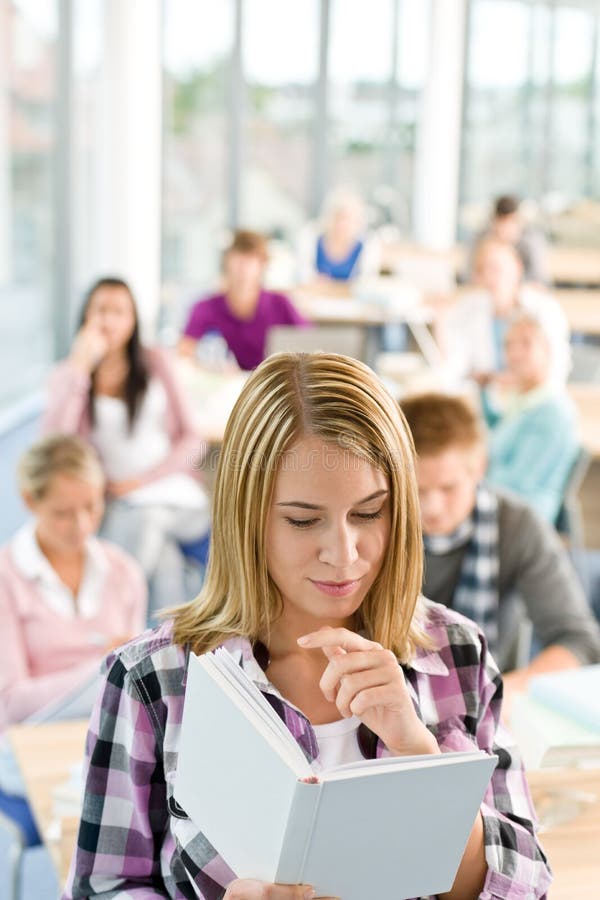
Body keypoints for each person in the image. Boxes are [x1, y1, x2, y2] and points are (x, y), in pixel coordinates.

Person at [64, 353, 551, 900]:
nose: (344, 554)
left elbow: (526, 885)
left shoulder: (457, 653)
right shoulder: (151, 679)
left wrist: (421, 757)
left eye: (369, 513)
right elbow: (102, 886)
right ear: (247, 516)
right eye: (302, 520)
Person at [401, 392, 600, 696]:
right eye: (417, 490)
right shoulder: (373, 524)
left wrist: (498, 695)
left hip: (486, 695)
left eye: (448, 488)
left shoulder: (519, 526)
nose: (432, 508)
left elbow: (578, 641)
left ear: (479, 467)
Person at [0, 434, 146, 846]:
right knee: (106, 822)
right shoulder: (6, 580)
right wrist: (102, 665)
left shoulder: (124, 571)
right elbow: (11, 703)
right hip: (26, 748)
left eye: (91, 507)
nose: (81, 525)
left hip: (103, 735)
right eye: (63, 513)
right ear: (31, 503)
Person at [41, 276, 210, 616]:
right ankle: (174, 646)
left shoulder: (156, 362)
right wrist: (81, 369)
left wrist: (143, 481)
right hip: (115, 501)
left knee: (145, 521)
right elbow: (54, 447)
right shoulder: (69, 374)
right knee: (164, 563)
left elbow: (194, 439)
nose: (110, 320)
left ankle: (107, 619)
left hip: (171, 492)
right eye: (101, 310)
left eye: (120, 311)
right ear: (86, 318)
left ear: (133, 321)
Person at [482, 312, 579, 523]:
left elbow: (518, 485)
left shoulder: (552, 412)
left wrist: (471, 472)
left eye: (526, 344)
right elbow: (500, 436)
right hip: (498, 502)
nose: (514, 354)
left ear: (547, 351)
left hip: (521, 518)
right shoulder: (521, 399)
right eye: (508, 345)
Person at [436, 238, 569, 387]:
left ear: (518, 268)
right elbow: (454, 368)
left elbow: (557, 368)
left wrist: (520, 383)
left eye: (495, 268)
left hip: (533, 396)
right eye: (481, 270)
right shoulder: (468, 310)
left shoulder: (545, 308)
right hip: (485, 398)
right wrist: (440, 319)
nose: (489, 277)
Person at [179, 230, 308, 370]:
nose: (243, 268)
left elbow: (311, 346)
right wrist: (208, 368)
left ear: (262, 265)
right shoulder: (205, 308)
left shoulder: (281, 304)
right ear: (227, 262)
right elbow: (184, 355)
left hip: (270, 385)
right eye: (238, 259)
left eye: (250, 260)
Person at [297, 187, 381, 285]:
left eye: (349, 219)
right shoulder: (311, 237)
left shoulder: (368, 245)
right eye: (339, 217)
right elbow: (303, 277)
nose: (343, 224)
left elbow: (366, 284)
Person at [466, 194, 549, 285]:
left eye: (511, 222)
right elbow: (469, 275)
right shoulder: (481, 240)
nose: (506, 228)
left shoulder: (531, 241)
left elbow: (539, 278)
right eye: (501, 222)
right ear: (494, 222)